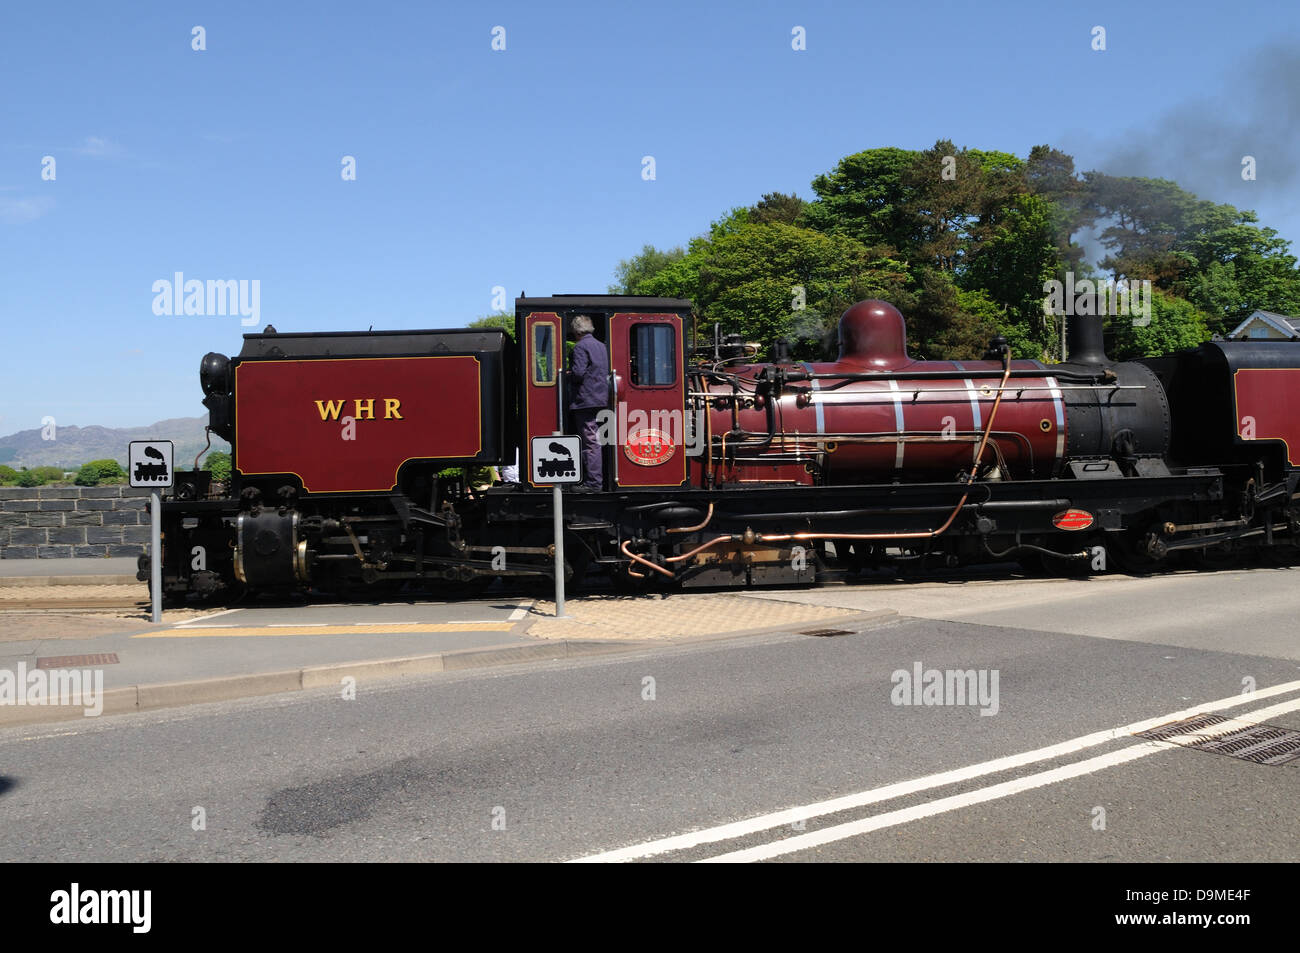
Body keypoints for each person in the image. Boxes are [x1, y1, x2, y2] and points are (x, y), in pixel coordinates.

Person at [567, 315, 609, 489]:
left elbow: (578, 373)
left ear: (576, 331)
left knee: (590, 442)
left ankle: (593, 483)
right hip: (601, 399)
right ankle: (597, 479)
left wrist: (568, 376)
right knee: (596, 441)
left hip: (586, 400)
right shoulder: (601, 346)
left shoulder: (580, 347)